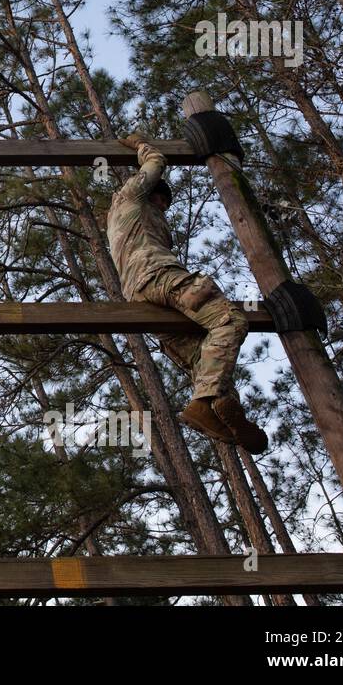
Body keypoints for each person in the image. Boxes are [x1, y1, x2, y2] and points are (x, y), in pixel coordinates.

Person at [107, 135, 267, 453]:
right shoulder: (132, 196)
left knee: (200, 356)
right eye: (162, 205)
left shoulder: (118, 223)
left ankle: (221, 403)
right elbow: (156, 163)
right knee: (229, 320)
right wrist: (142, 145)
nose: (164, 213)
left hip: (139, 296)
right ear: (151, 194)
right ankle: (204, 402)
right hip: (160, 276)